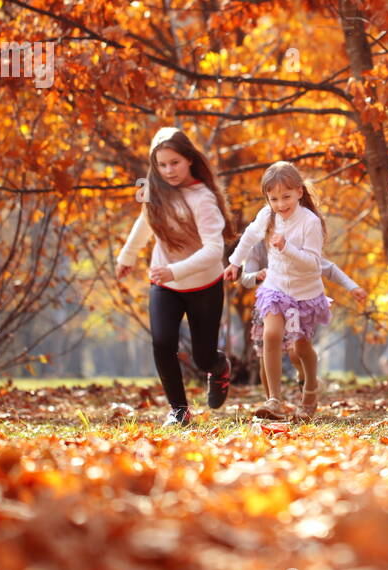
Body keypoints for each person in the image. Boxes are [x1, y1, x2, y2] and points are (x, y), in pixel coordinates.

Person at [115, 127, 235, 426]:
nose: (168, 170)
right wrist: (127, 257)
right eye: (162, 164)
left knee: (202, 358)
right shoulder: (154, 190)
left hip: (203, 284)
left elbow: (214, 250)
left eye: (175, 163)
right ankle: (179, 410)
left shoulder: (202, 198)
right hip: (164, 283)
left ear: (190, 160)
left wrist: (175, 270)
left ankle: (219, 368)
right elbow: (145, 224)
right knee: (162, 342)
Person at [223, 161, 330, 420]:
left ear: (299, 192)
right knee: (271, 335)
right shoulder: (267, 215)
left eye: (286, 197)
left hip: (304, 292)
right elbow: (248, 237)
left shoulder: (309, 222)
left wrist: (286, 248)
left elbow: (313, 264)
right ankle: (274, 400)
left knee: (300, 347)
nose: (281, 204)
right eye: (274, 199)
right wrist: (234, 263)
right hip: (276, 287)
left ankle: (311, 390)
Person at [236, 240, 367, 402]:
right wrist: (256, 275)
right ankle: (272, 401)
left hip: (296, 304)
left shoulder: (298, 245)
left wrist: (352, 287)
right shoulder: (257, 247)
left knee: (296, 353)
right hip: (268, 305)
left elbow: (328, 268)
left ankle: (305, 377)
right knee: (265, 357)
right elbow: (245, 278)